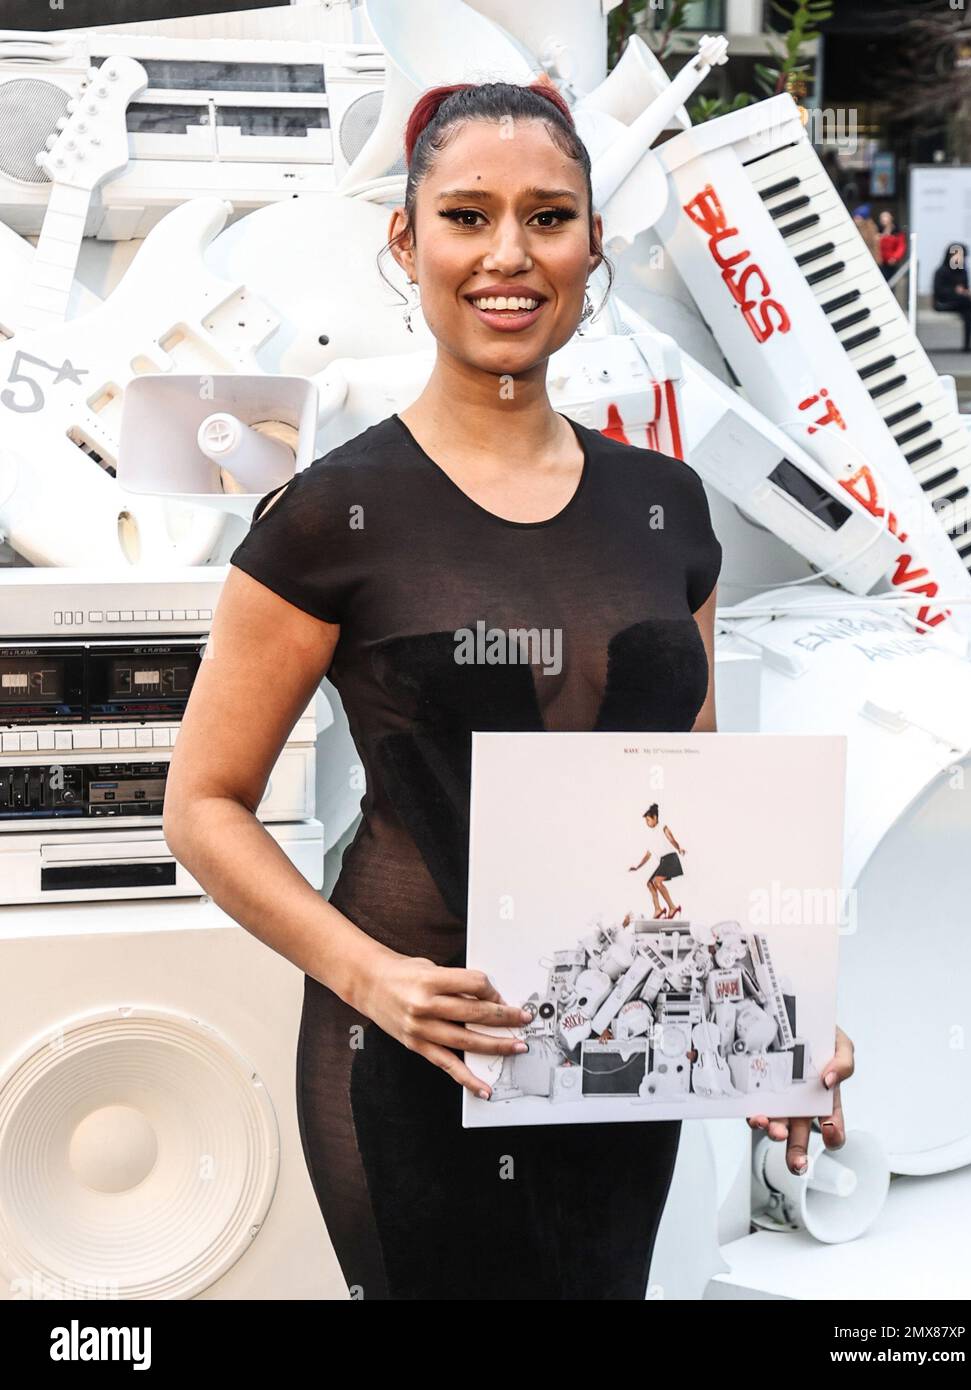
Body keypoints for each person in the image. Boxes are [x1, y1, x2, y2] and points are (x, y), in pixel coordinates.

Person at [163, 77, 855, 1301]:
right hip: (413, 1056)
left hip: (625, 1056)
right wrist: (366, 974)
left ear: (593, 244)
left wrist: (773, 1021)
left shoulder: (664, 506)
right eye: (468, 215)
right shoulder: (333, 514)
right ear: (407, 239)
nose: (508, 255)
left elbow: (681, 794)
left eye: (548, 216)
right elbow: (203, 803)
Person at [629, 802, 685, 919]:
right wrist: (637, 866)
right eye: (646, 821)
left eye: (648, 820)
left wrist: (679, 848)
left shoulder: (662, 826)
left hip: (670, 858)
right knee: (650, 883)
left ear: (655, 817)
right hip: (663, 861)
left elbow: (671, 838)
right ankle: (658, 910)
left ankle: (672, 907)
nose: (647, 823)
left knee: (657, 881)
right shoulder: (652, 835)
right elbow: (648, 855)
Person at [877, 210, 907, 280]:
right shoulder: (877, 230)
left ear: (891, 218)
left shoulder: (897, 232)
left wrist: (894, 257)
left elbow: (901, 247)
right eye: (882, 217)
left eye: (885, 217)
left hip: (890, 262)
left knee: (890, 280)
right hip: (879, 261)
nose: (883, 219)